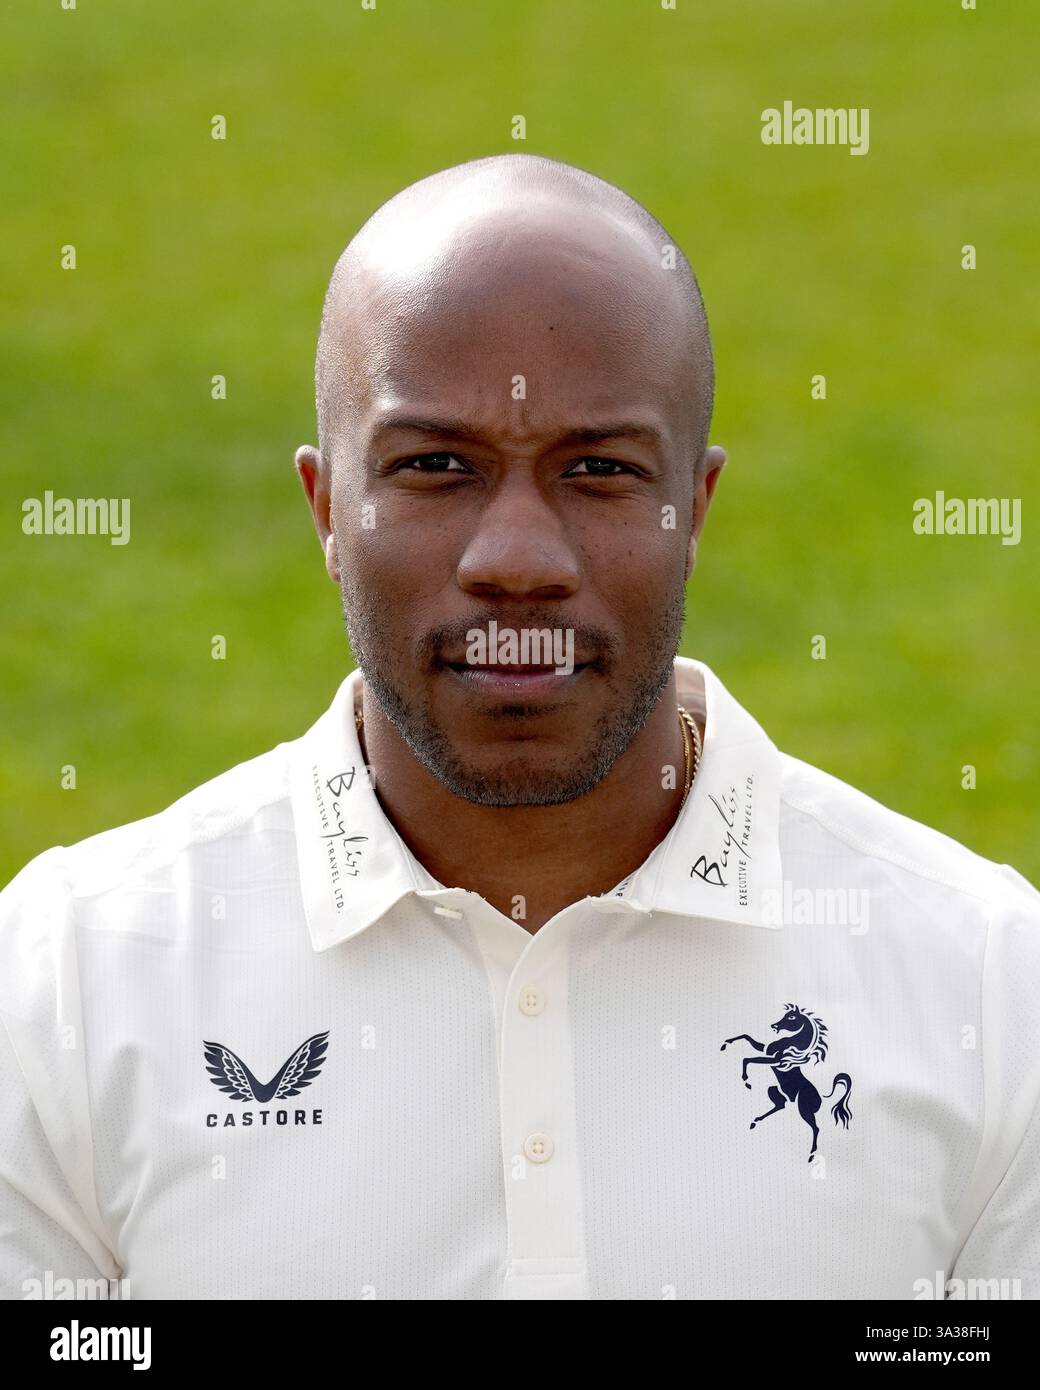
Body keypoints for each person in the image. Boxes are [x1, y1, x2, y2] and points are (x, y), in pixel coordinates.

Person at [2, 154, 1037, 1301]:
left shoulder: (988, 991)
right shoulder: (67, 987)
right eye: (435, 466)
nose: (515, 560)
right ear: (325, 508)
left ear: (690, 510)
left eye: (596, 469)